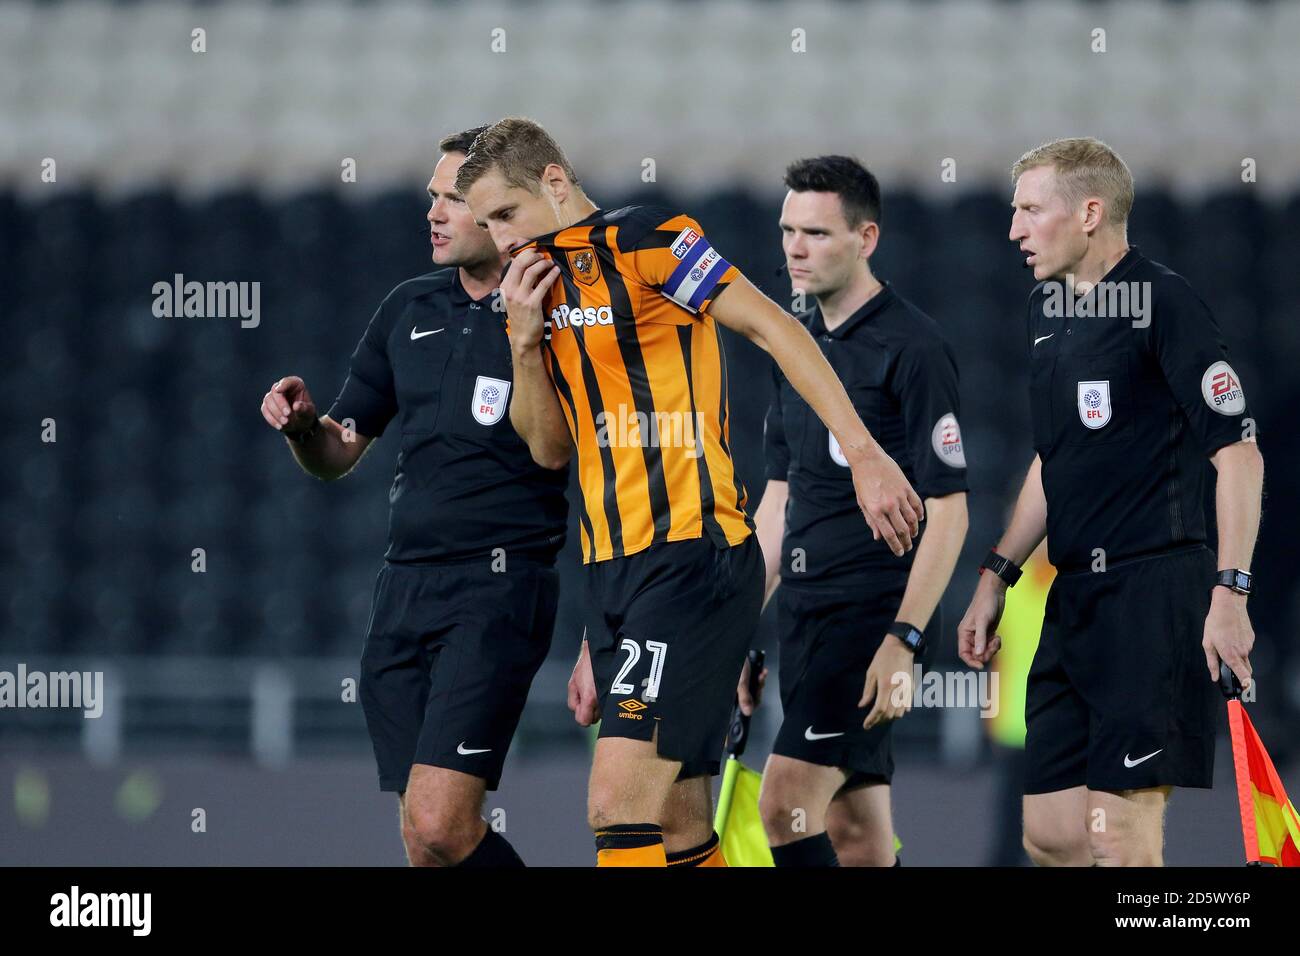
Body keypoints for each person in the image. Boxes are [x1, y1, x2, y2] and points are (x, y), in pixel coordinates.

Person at [456, 117, 923, 866]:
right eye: (486, 224)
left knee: (616, 806)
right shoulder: (530, 289)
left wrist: (864, 453)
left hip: (692, 559)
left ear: (553, 181)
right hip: (614, 574)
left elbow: (774, 327)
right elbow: (548, 448)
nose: (501, 238)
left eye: (506, 215)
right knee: (676, 826)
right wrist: (522, 341)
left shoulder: (645, 241)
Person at [259, 127, 568, 867]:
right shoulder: (407, 308)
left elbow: (577, 459)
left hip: (497, 587)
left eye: (453, 199)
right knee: (425, 845)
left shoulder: (558, 309)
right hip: (403, 590)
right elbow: (339, 452)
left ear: (500, 209)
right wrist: (305, 428)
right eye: (431, 196)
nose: (432, 212)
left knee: (439, 824)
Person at [957, 137, 1264, 866]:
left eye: (1030, 210)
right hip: (1074, 600)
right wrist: (994, 575)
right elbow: (1050, 458)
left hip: (1154, 595)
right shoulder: (1046, 311)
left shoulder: (1166, 302)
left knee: (1121, 839)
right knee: (1051, 835)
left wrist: (1231, 593)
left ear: (1090, 212)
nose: (1013, 230)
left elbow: (1240, 457)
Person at [743, 156, 969, 867]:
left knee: (783, 805)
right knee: (858, 838)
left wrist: (903, 640)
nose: (794, 248)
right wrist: (734, 624)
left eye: (816, 232)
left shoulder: (914, 347)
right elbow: (779, 499)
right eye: (787, 231)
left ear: (866, 238)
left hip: (869, 622)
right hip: (804, 617)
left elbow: (950, 510)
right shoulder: (795, 343)